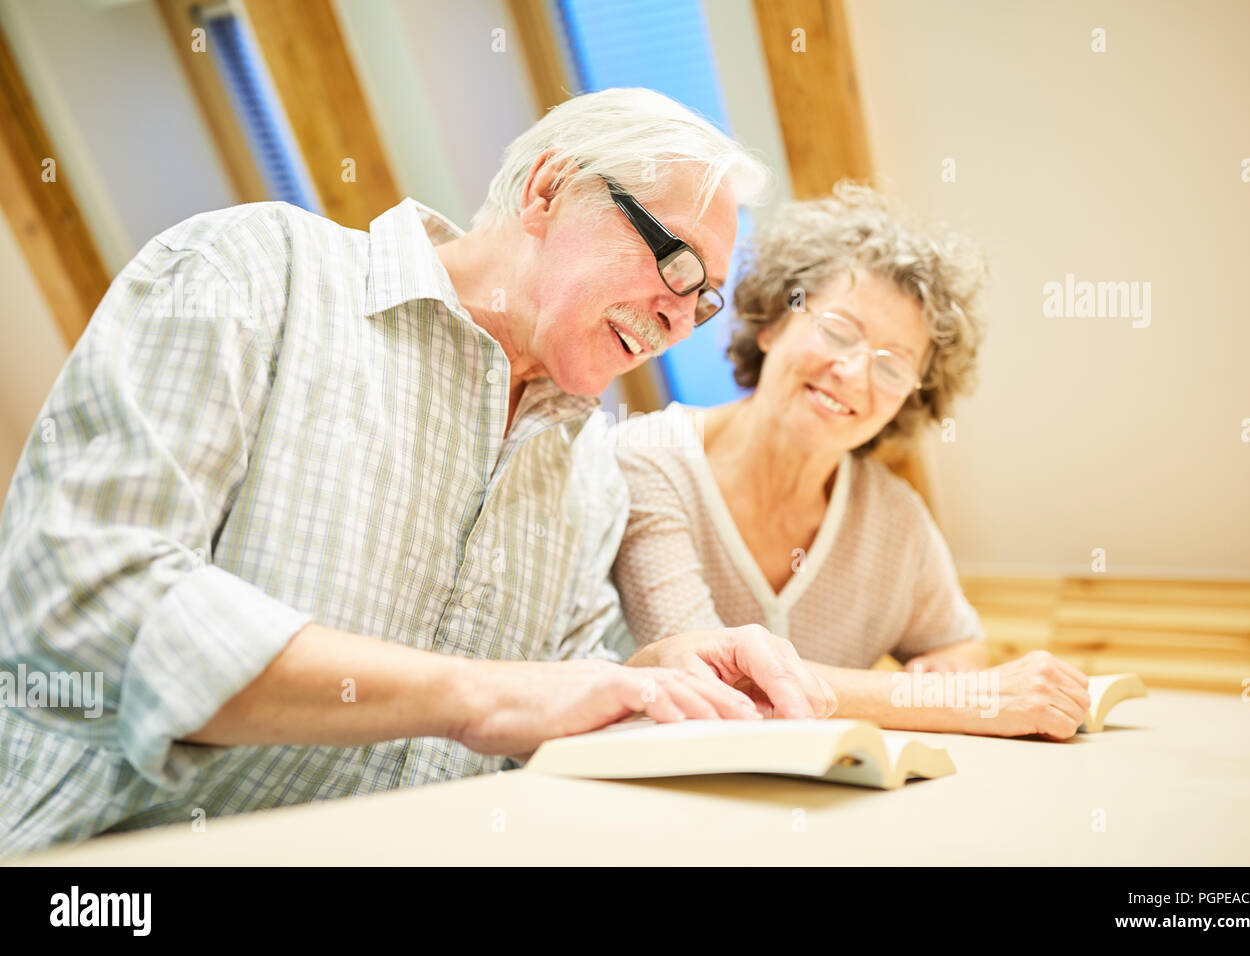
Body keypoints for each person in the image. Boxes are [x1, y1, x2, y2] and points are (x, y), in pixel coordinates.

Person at [0, 88, 835, 856]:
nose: (680, 316)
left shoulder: (587, 468)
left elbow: (550, 692)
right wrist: (480, 695)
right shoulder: (251, 273)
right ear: (549, 190)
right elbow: (86, 604)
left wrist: (647, 685)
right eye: (676, 262)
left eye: (704, 300)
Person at [611, 181, 1090, 739]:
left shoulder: (894, 518)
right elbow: (710, 685)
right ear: (772, 321)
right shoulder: (649, 459)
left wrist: (950, 670)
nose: (857, 374)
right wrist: (958, 699)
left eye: (892, 367)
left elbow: (955, 641)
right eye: (838, 331)